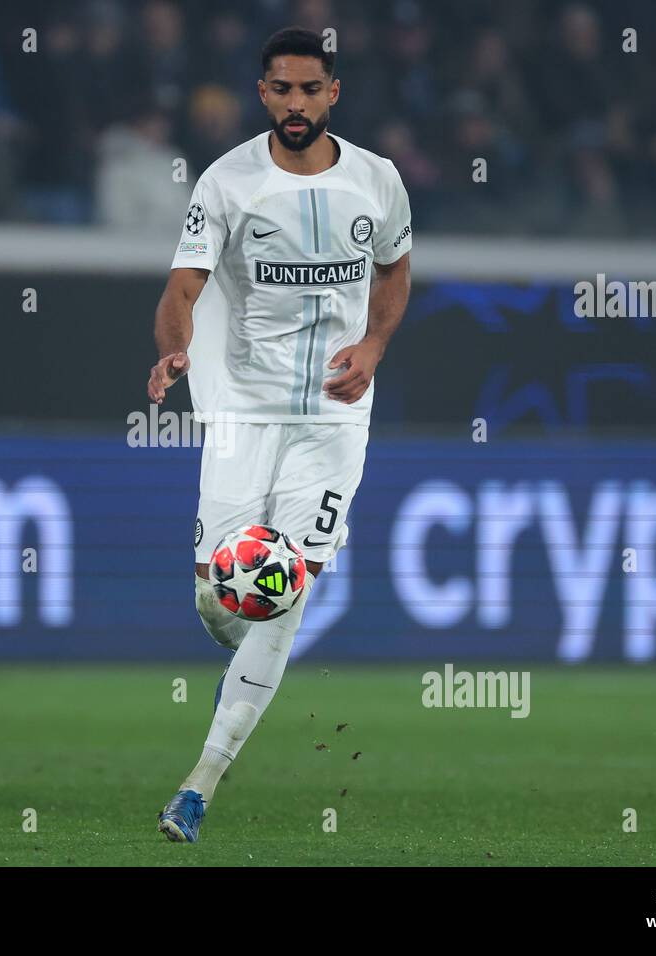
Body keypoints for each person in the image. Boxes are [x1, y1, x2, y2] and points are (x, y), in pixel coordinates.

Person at [148, 28, 413, 842]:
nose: (295, 104)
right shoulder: (228, 183)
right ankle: (244, 633)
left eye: (310, 89)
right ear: (263, 94)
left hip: (333, 420)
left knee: (282, 591)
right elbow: (182, 288)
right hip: (243, 412)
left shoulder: (379, 181)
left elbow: (396, 270)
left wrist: (372, 347)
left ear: (333, 93)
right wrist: (172, 350)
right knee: (215, 592)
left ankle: (198, 785)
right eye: (280, 90)